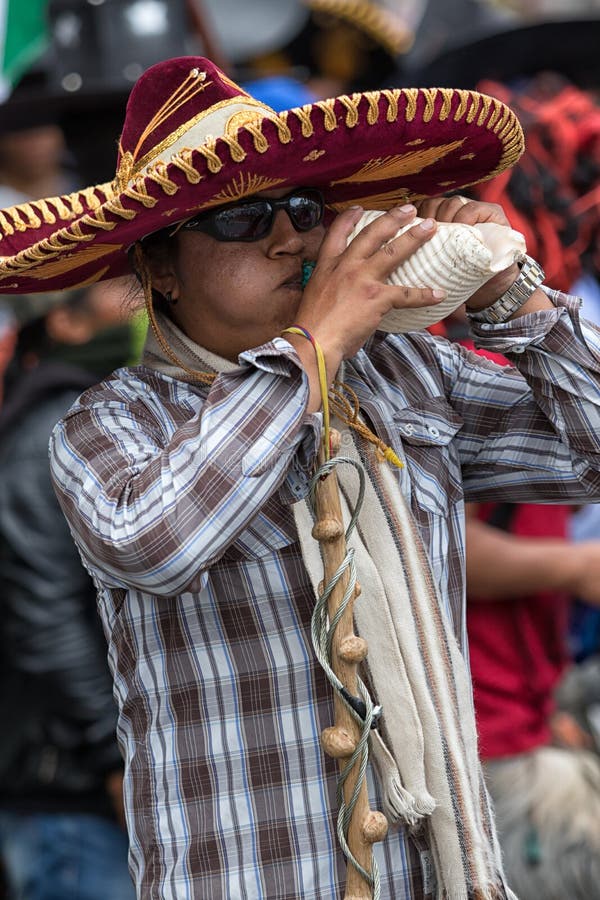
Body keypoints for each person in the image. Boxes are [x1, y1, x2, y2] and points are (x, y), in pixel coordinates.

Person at [2, 54, 600, 900]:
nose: (290, 235)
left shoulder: (401, 375)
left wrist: (509, 290)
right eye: (244, 219)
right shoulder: (109, 421)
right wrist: (312, 350)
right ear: (161, 269)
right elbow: (154, 541)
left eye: (304, 208)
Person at [0, 282, 138, 900]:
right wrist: (111, 755)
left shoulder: (91, 418)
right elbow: (43, 616)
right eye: (120, 295)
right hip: (74, 793)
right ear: (65, 322)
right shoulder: (49, 434)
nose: (137, 310)